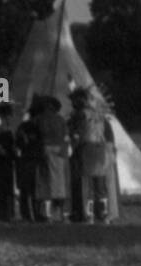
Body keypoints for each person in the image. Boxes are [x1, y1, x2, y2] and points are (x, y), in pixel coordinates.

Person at [68, 88, 114, 223]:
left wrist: (72, 144)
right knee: (100, 184)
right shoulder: (99, 114)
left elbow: (75, 133)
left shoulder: (79, 114)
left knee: (85, 184)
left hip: (86, 149)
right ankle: (103, 214)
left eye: (73, 100)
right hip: (101, 150)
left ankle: (87, 215)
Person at [34, 95, 69, 222]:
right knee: (60, 182)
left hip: (45, 149)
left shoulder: (39, 119)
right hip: (59, 151)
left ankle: (47, 214)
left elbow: (35, 136)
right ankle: (62, 213)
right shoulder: (60, 119)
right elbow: (65, 136)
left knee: (45, 182)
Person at [15, 99, 44, 222]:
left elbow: (17, 143)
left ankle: (26, 214)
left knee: (25, 190)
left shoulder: (22, 127)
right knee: (34, 189)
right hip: (33, 160)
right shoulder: (37, 128)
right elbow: (41, 144)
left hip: (25, 159)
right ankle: (36, 214)